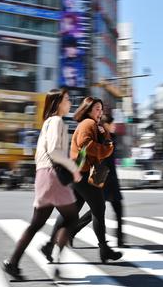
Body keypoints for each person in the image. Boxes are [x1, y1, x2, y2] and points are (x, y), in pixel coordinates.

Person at [2, 89, 82, 280]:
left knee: (36, 224)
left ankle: (13, 263)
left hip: (43, 175)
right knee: (72, 219)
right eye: (67, 100)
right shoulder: (56, 121)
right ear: (57, 103)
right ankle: (56, 262)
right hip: (54, 176)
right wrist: (74, 169)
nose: (70, 102)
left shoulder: (47, 122)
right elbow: (54, 151)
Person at [42, 97, 122, 264]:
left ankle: (49, 245)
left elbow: (105, 140)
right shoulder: (88, 123)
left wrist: (105, 136)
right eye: (97, 109)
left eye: (101, 109)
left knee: (70, 214)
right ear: (88, 110)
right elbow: (85, 144)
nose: (100, 112)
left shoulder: (94, 125)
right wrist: (105, 149)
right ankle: (104, 249)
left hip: (78, 175)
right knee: (99, 209)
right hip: (84, 175)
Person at [71, 114, 126, 247]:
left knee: (116, 210)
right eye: (111, 124)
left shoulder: (111, 137)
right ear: (105, 125)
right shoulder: (100, 137)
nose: (114, 126)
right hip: (102, 179)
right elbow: (94, 155)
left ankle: (120, 240)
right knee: (95, 212)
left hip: (112, 180)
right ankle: (71, 232)